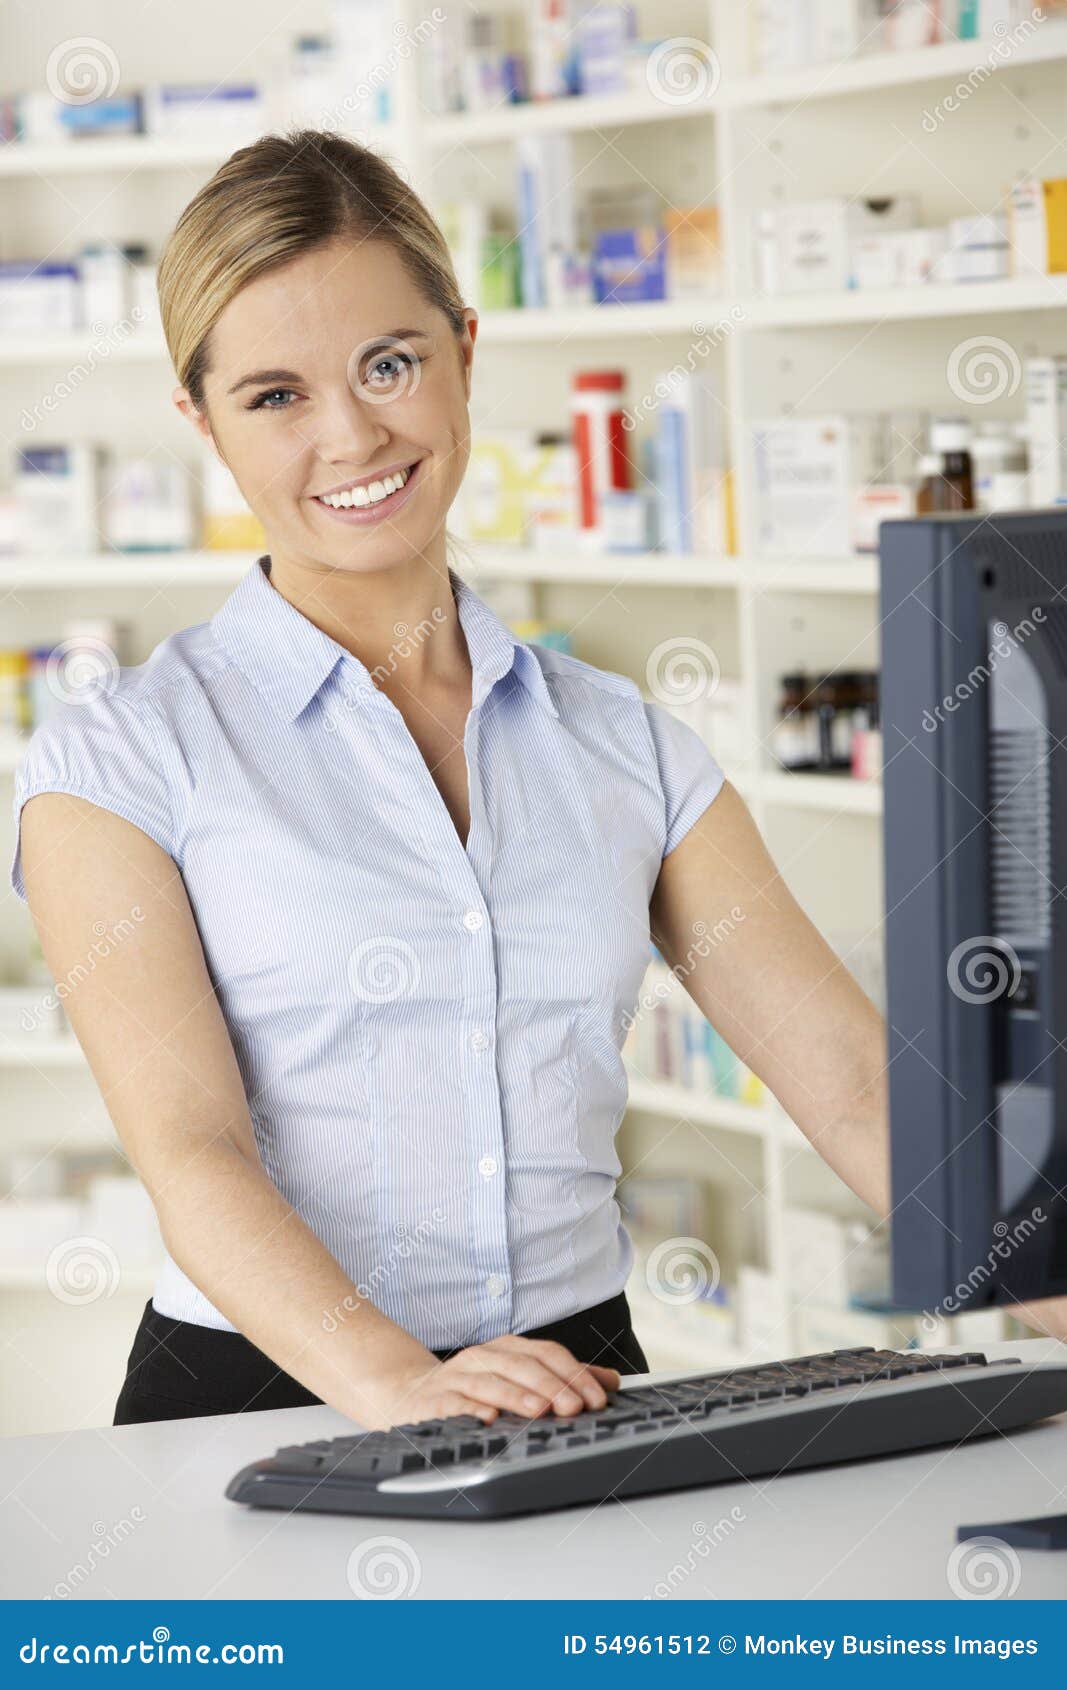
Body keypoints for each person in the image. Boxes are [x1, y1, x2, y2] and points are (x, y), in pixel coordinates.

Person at [13, 131, 1061, 1435]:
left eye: (389, 363)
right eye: (276, 394)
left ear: (462, 348)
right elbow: (190, 1148)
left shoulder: (622, 744)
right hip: (262, 1393)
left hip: (577, 1380)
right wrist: (403, 1383)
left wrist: (1057, 1287)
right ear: (203, 420)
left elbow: (852, 1082)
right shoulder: (117, 761)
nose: (352, 434)